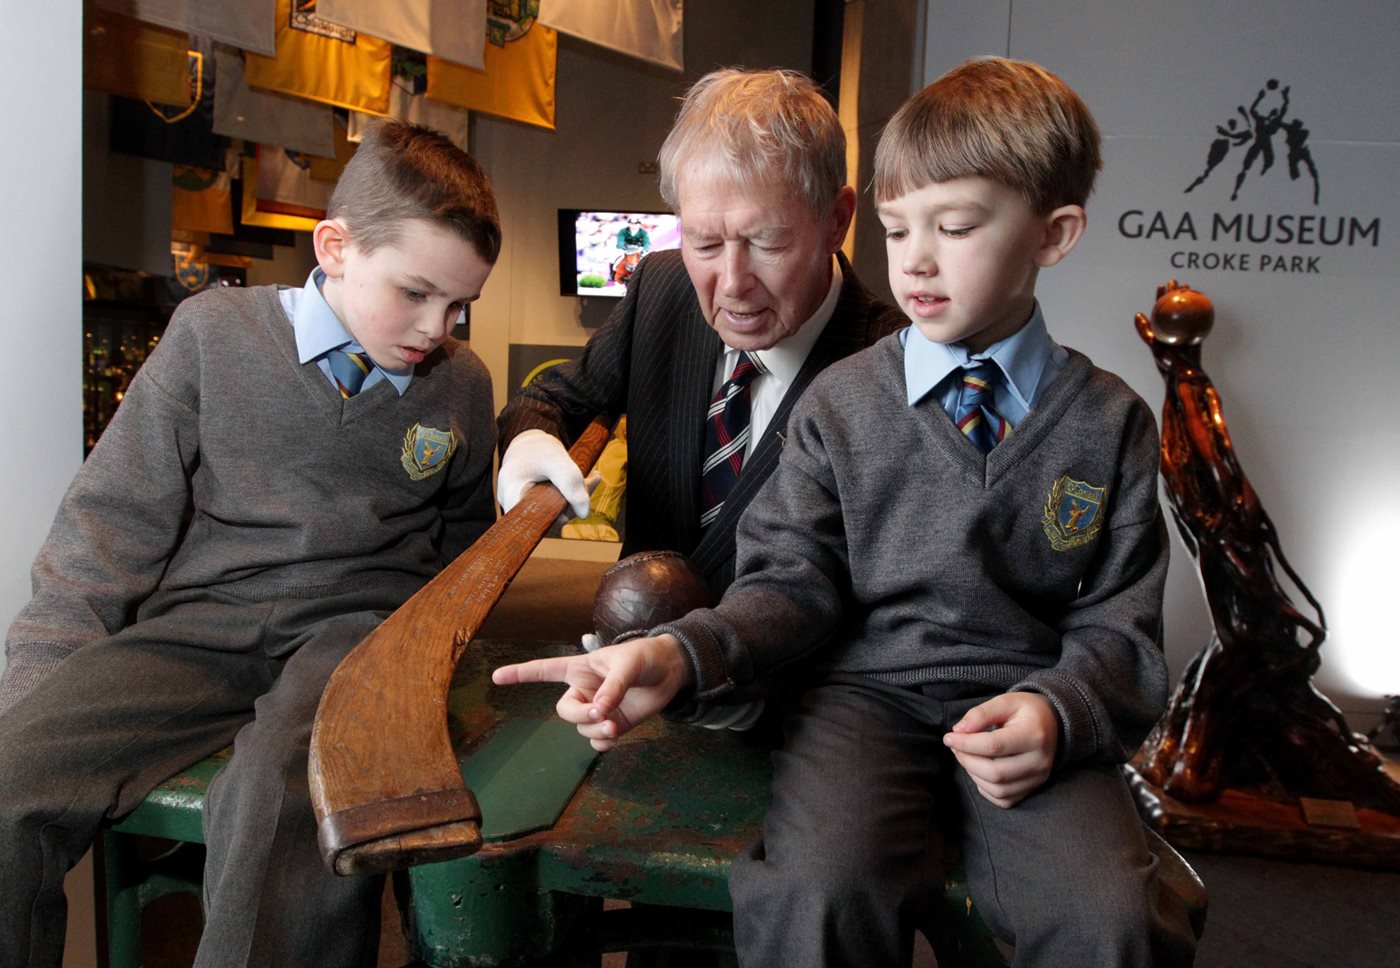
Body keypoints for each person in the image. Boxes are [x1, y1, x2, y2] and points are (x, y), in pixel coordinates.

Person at [494, 57, 1198, 967]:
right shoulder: (839, 396)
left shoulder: (1109, 422)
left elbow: (1121, 625)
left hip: (1015, 707)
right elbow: (793, 579)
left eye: (954, 227)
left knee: (1112, 921)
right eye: (904, 231)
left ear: (1054, 235)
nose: (918, 260)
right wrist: (682, 649)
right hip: (855, 703)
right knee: (814, 893)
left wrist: (1060, 712)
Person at [0, 120, 501, 968]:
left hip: (356, 637)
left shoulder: (462, 383)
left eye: (460, 304)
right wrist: (39, 693)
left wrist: (429, 679)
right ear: (335, 247)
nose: (437, 325)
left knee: (282, 805)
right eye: (416, 292)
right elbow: (109, 519)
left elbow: (461, 560)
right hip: (202, 625)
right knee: (12, 777)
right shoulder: (213, 335)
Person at [496, 68, 905, 601]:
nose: (732, 284)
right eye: (706, 244)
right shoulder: (662, 288)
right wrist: (528, 442)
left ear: (837, 220)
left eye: (767, 243)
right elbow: (551, 399)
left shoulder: (893, 364)